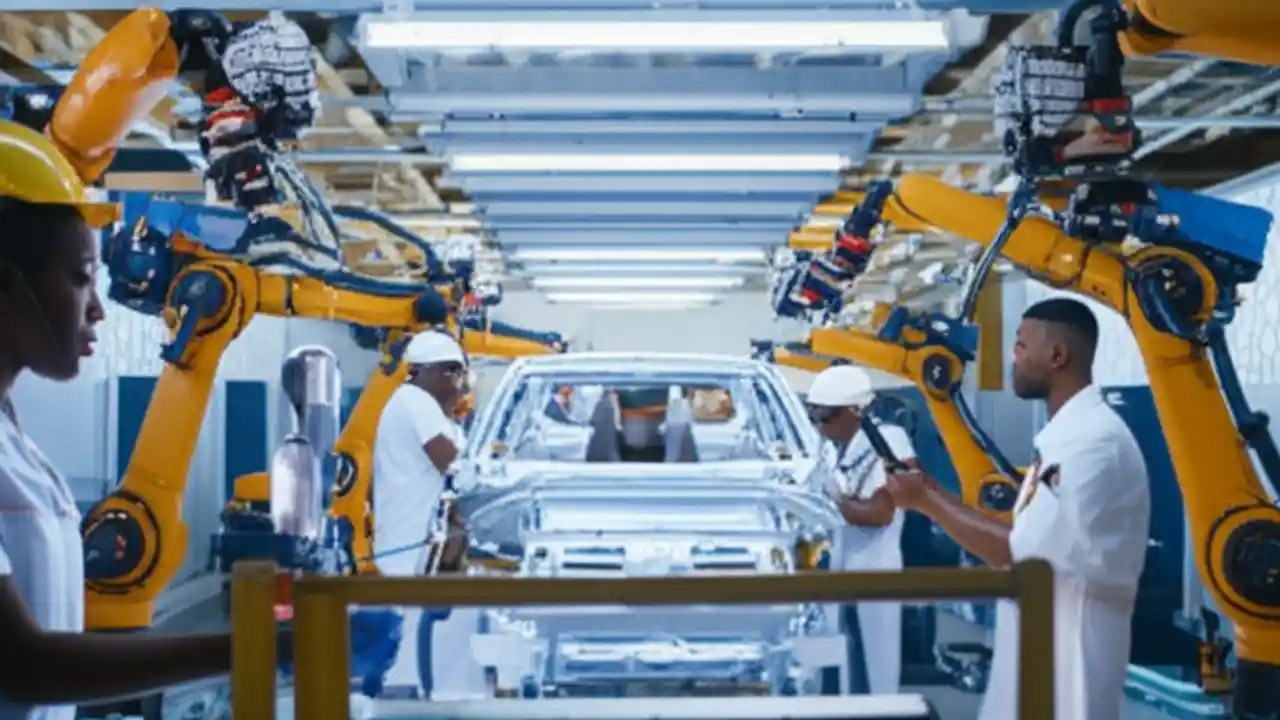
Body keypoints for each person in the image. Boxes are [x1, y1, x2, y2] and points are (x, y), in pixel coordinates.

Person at [0, 120, 274, 718]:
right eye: (79, 280)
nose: (97, 308)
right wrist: (267, 648)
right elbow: (21, 665)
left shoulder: (13, 435)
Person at [883, 297, 1150, 720]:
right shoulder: (1066, 435)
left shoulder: (1094, 444)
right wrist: (930, 490)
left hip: (1071, 645)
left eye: (1022, 346)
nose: (1013, 358)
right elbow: (1020, 534)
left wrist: (926, 503)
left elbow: (1020, 556)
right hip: (1038, 635)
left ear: (1057, 355)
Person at [370, 329, 476, 697]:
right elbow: (452, 462)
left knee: (410, 618)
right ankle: (399, 694)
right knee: (404, 619)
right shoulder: (416, 402)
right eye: (456, 374)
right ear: (437, 372)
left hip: (411, 532)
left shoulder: (411, 400)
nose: (460, 385)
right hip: (407, 535)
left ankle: (407, 688)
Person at [806, 364, 919, 696]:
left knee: (878, 666)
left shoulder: (889, 442)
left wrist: (827, 502)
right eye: (814, 416)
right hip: (840, 566)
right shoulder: (828, 446)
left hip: (875, 566)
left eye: (826, 416)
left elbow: (881, 512)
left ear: (856, 412)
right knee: (838, 661)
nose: (819, 425)